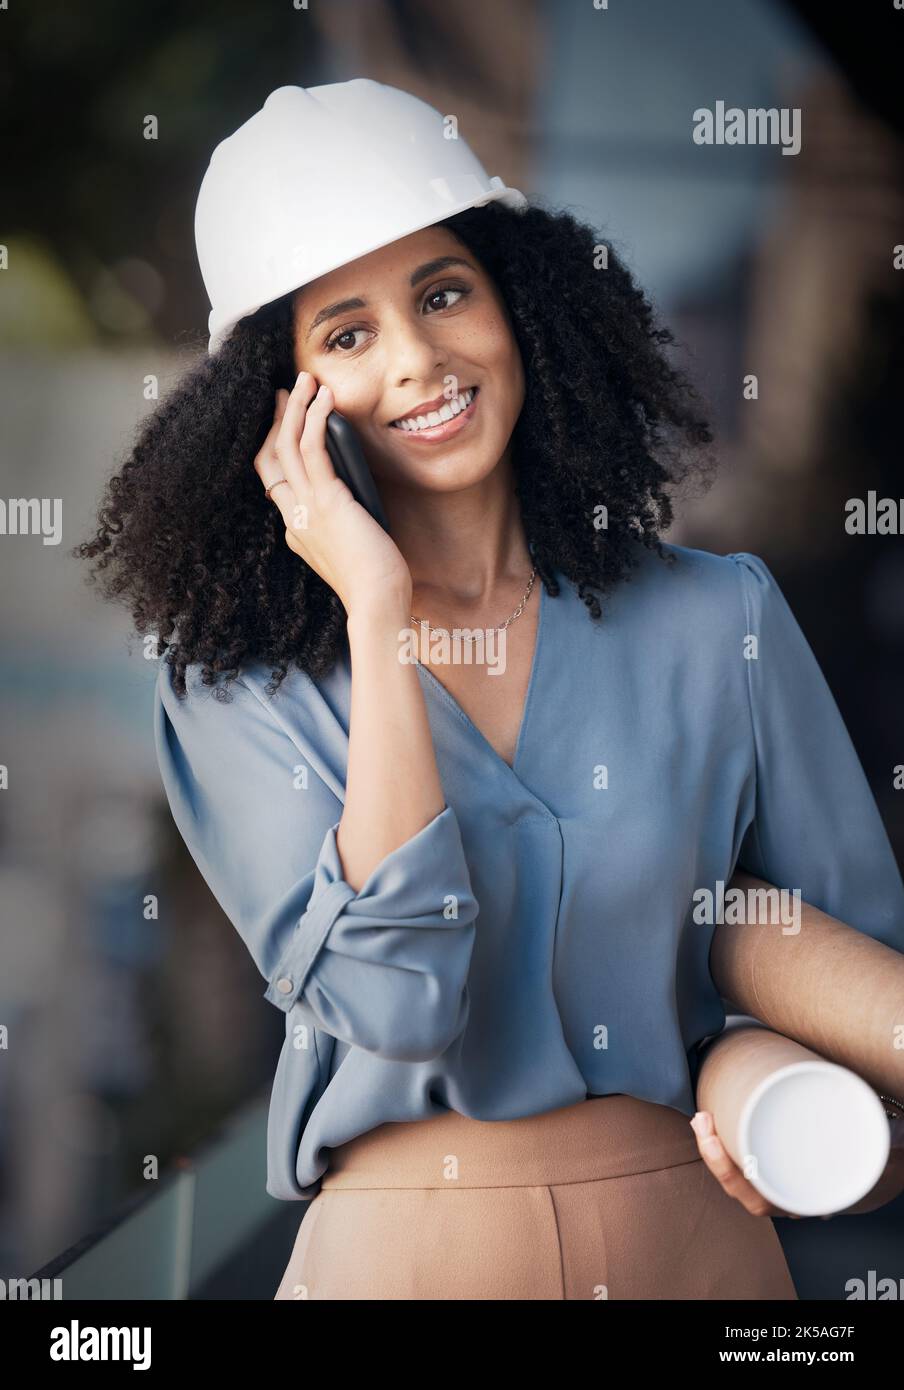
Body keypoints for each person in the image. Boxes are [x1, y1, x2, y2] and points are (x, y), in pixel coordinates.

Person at [77, 80, 904, 1300]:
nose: (420, 361)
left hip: (703, 1261)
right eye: (346, 334)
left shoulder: (717, 618)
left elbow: (867, 1011)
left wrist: (793, 1115)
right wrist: (377, 614)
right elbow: (392, 1000)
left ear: (521, 300)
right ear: (275, 404)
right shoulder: (239, 692)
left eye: (444, 292)